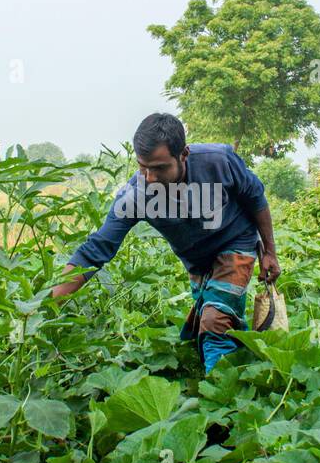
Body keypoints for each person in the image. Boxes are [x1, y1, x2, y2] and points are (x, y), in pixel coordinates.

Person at [51, 113, 279, 373]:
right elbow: (97, 249)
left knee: (215, 320)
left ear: (183, 154)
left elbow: (255, 198)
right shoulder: (135, 196)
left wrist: (269, 252)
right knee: (208, 323)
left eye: (159, 168)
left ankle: (224, 396)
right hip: (197, 261)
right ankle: (246, 365)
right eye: (142, 166)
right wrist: (47, 305)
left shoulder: (219, 162)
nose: (149, 177)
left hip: (236, 242)